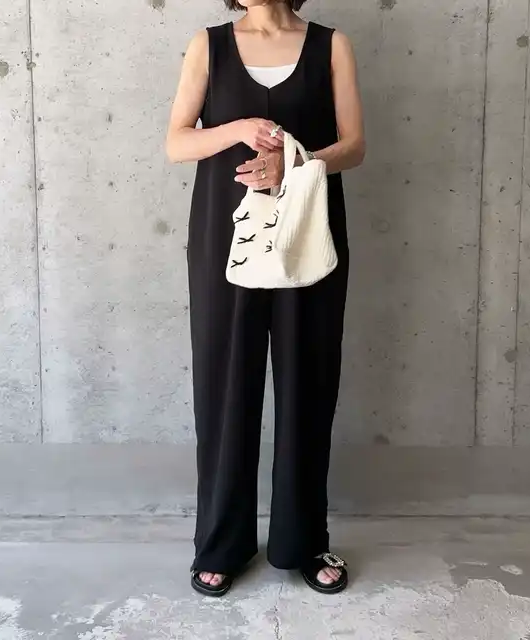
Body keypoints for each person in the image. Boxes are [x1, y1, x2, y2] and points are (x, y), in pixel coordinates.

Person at [166, 0, 365, 597]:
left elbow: (355, 146)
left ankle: (303, 542)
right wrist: (236, 130)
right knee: (224, 388)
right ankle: (220, 544)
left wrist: (297, 165)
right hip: (224, 241)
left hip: (308, 237)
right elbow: (177, 143)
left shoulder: (331, 44)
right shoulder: (209, 45)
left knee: (308, 383)